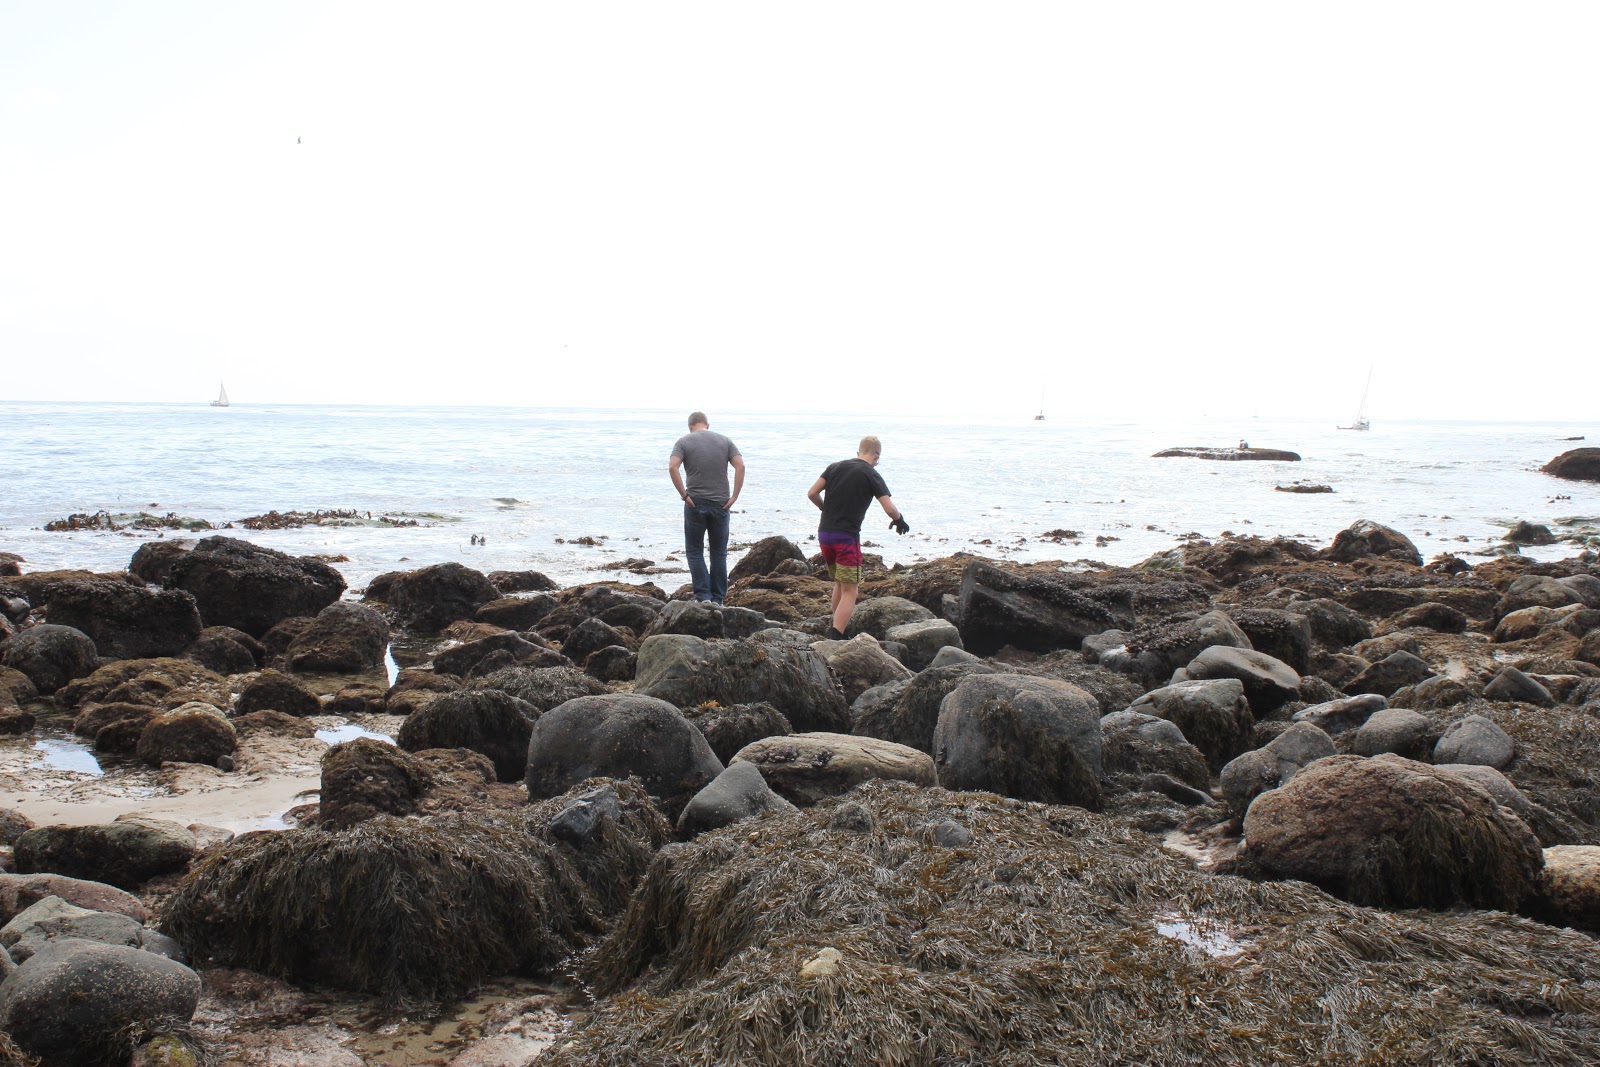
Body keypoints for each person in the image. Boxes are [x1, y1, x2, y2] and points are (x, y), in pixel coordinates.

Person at [807, 435, 909, 639]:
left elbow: (812, 493)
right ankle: (836, 635)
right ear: (877, 455)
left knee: (839, 582)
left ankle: (835, 627)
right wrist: (900, 520)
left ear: (858, 452)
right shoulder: (871, 474)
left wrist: (824, 508)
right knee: (850, 590)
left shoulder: (834, 467)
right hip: (846, 539)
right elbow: (889, 509)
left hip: (825, 534)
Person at [669, 412, 745, 603]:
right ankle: (718, 598)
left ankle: (703, 596)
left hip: (695, 502)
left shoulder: (683, 442)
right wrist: (734, 496)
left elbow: (672, 467)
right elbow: (741, 466)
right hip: (721, 503)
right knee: (719, 552)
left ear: (690, 426)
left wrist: (684, 495)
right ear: (707, 425)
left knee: (695, 551)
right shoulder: (725, 441)